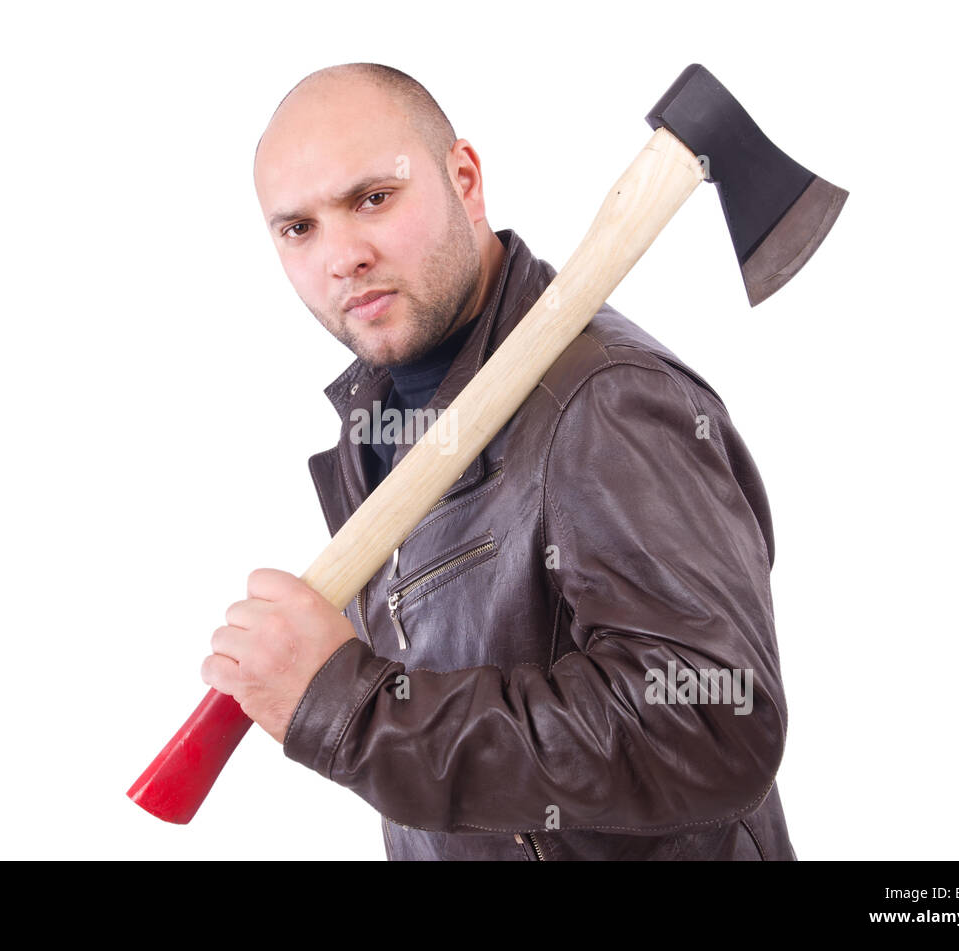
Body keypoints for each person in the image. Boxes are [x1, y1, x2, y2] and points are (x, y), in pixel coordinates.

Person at [201, 62, 797, 860]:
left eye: (373, 198)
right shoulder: (373, 426)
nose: (341, 255)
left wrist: (353, 707)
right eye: (298, 228)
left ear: (464, 178)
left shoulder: (608, 403)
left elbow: (715, 721)